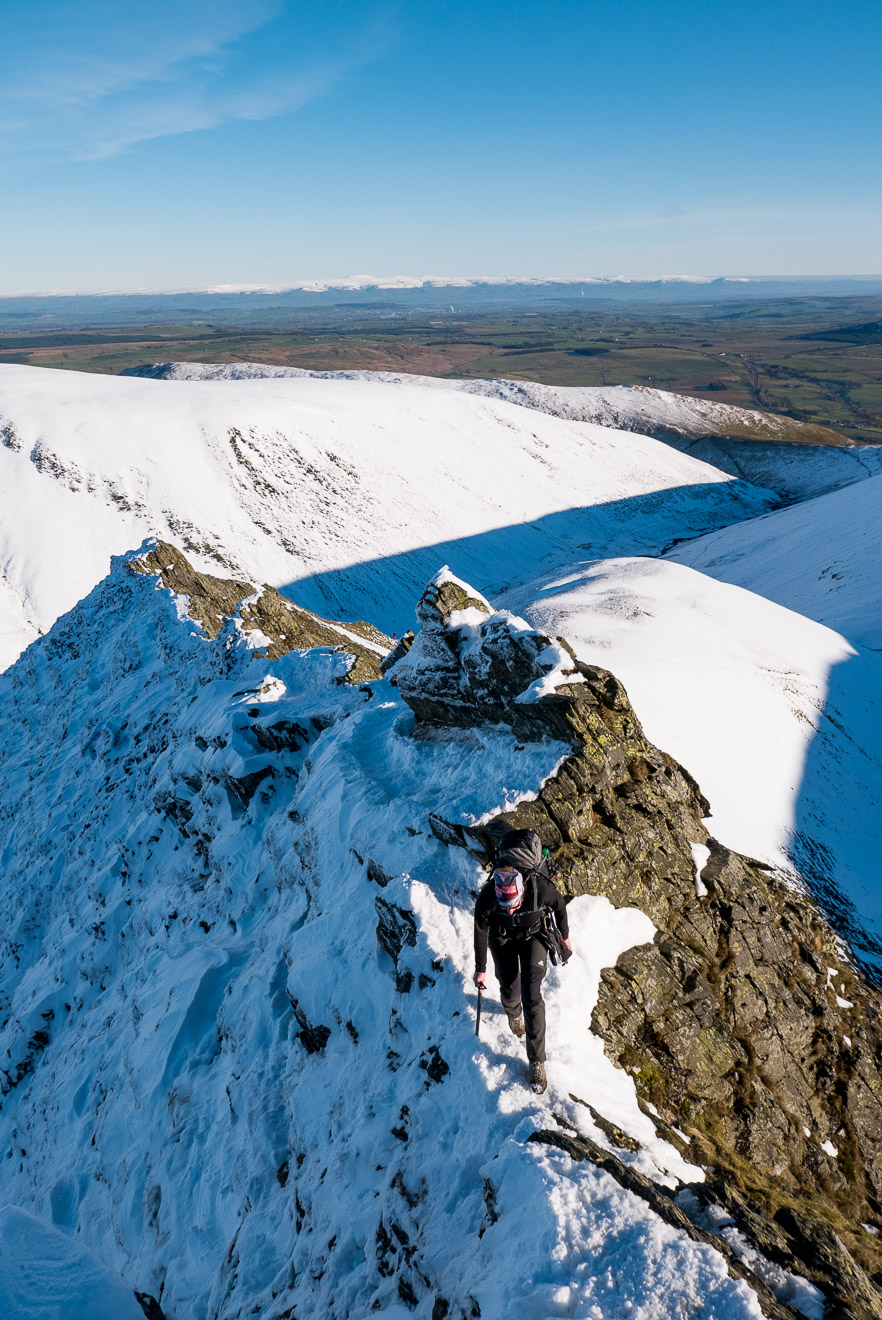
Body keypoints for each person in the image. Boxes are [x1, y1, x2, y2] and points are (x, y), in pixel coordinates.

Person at [473, 829, 571, 1094]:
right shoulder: (488, 896)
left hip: (534, 936)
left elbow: (560, 906)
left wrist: (566, 937)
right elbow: (481, 930)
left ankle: (537, 1062)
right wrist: (480, 969)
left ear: (522, 890)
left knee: (532, 993)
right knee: (508, 984)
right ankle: (512, 1012)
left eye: (514, 904)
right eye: (505, 906)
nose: (509, 909)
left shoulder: (539, 887)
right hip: (501, 938)